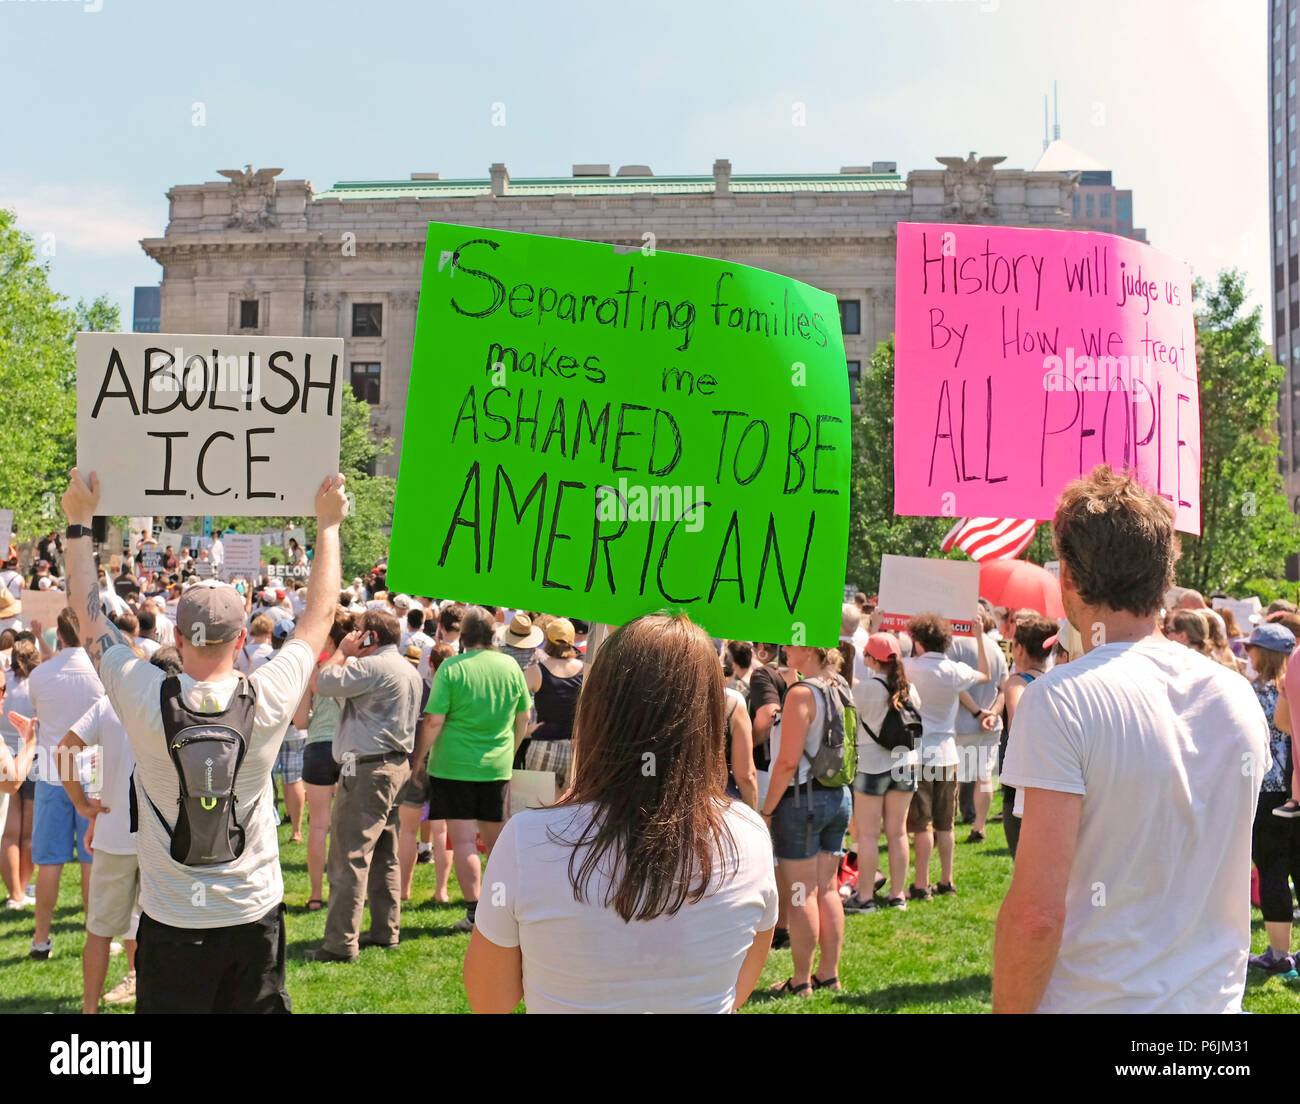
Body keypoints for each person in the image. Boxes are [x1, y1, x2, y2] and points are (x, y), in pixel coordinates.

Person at [63, 468, 347, 1013]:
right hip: (251, 912)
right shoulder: (269, 693)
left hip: (171, 917)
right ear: (242, 639)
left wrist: (80, 522)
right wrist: (327, 527)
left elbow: (86, 613)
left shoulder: (141, 691)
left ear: (175, 636)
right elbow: (317, 618)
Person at [994, 465, 1271, 1013]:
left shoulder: (1059, 700)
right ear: (1164, 574)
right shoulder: (1235, 694)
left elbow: (1037, 915)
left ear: (1068, 577)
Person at [464, 613, 776, 1013]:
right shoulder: (750, 835)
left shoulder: (528, 840)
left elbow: (490, 999)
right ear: (709, 713)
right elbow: (736, 991)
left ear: (598, 707)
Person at [309, 607, 423, 961]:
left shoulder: (370, 666)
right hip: (395, 767)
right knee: (385, 853)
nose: (352, 635)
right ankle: (385, 931)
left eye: (357, 631)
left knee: (349, 857)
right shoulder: (408, 668)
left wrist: (342, 652)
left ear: (371, 636)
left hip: (368, 771)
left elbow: (321, 683)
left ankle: (341, 944)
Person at [414, 607, 531, 934]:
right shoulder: (510, 666)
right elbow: (523, 718)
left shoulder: (451, 669)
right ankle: (501, 911)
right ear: (493, 634)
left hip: (453, 766)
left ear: (463, 636)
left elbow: (434, 720)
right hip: (495, 766)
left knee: (464, 842)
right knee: (497, 845)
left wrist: (419, 759)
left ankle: (474, 911)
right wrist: (511, 749)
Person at [758, 641, 852, 996]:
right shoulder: (840, 684)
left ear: (812, 649)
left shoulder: (801, 694)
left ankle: (800, 981)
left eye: (793, 643)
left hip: (802, 801)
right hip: (838, 796)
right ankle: (829, 974)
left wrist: (767, 810)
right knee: (828, 889)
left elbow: (786, 762)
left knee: (800, 894)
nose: (785, 647)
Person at [26, 607, 104, 961]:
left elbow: (40, 709)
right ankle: (95, 937)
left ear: (60, 633)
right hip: (93, 771)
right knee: (91, 861)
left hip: (53, 774)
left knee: (50, 863)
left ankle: (41, 938)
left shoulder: (42, 674)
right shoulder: (99, 672)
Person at [903, 613, 991, 900]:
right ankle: (947, 880)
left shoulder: (909, 667)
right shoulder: (954, 670)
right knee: (946, 823)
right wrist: (979, 637)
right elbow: (986, 675)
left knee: (921, 823)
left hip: (918, 753)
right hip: (948, 752)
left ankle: (920, 884)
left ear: (918, 641)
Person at [846, 633, 922, 911]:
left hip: (870, 765)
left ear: (870, 659)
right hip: (904, 764)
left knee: (867, 835)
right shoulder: (909, 689)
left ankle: (865, 896)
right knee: (898, 833)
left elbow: (852, 724)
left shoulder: (864, 689)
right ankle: (897, 895)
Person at [1242, 622, 1300, 976]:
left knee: (1272, 871)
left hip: (1266, 792)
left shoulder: (1248, 692)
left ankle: (1280, 954)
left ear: (1260, 653)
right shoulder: (1293, 687)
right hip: (1296, 788)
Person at [296, 610, 352, 913]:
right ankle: (345, 891)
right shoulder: (356, 665)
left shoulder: (312, 670)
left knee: (318, 825)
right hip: (350, 750)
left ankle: (315, 894)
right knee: (347, 825)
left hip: (318, 747)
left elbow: (300, 719)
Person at [997, 615, 1057, 860]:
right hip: (1054, 772)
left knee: (1024, 857)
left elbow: (1017, 726)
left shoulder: (1017, 683)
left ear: (1019, 649)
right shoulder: (1058, 678)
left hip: (1022, 777)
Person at [951, 608, 1008, 842]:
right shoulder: (995, 647)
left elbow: (954, 685)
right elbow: (1003, 687)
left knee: (951, 775)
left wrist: (977, 712)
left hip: (964, 722)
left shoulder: (954, 644)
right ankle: (979, 826)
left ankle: (947, 826)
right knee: (984, 776)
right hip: (990, 723)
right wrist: (992, 713)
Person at [522, 618, 584, 792]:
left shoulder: (535, 670)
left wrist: (526, 731)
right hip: (575, 749)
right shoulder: (585, 671)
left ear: (547, 640)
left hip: (543, 746)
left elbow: (517, 708)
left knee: (537, 810)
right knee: (568, 815)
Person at [1, 638, 38, 909]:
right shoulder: (39, 684)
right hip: (33, 758)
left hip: (7, 755)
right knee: (28, 835)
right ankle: (22, 888)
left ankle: (15, 892)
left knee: (9, 833)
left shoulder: (7, 684)